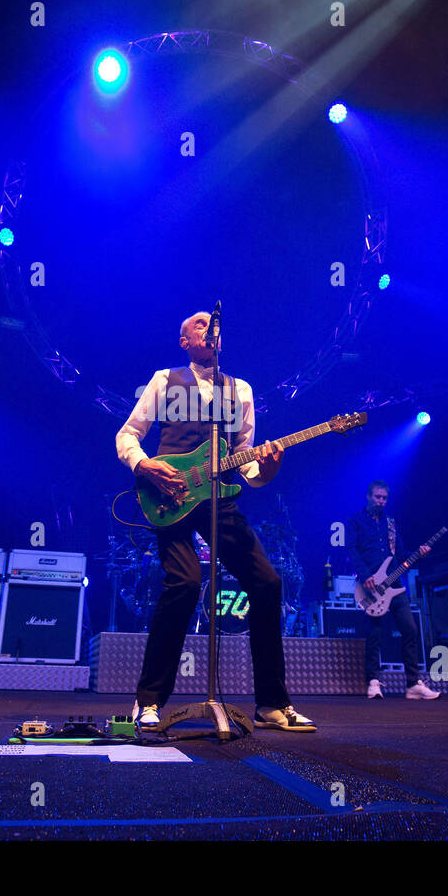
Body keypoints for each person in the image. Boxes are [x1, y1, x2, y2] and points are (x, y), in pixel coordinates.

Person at [116, 311, 316, 732]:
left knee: (268, 582)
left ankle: (272, 704)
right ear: (184, 341)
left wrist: (269, 469)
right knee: (184, 583)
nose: (209, 329)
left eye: (213, 325)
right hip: (171, 492)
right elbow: (127, 435)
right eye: (199, 325)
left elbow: (248, 465)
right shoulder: (163, 380)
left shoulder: (239, 389)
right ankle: (147, 700)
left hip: (219, 498)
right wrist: (146, 466)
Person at [347, 481, 440, 700]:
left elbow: (399, 553)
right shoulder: (355, 521)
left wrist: (418, 553)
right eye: (377, 497)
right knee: (374, 633)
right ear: (368, 496)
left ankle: (413, 683)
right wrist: (365, 575)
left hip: (395, 585)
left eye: (384, 498)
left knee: (409, 629)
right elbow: (351, 550)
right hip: (370, 585)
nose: (381, 501)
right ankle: (372, 681)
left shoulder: (390, 524)